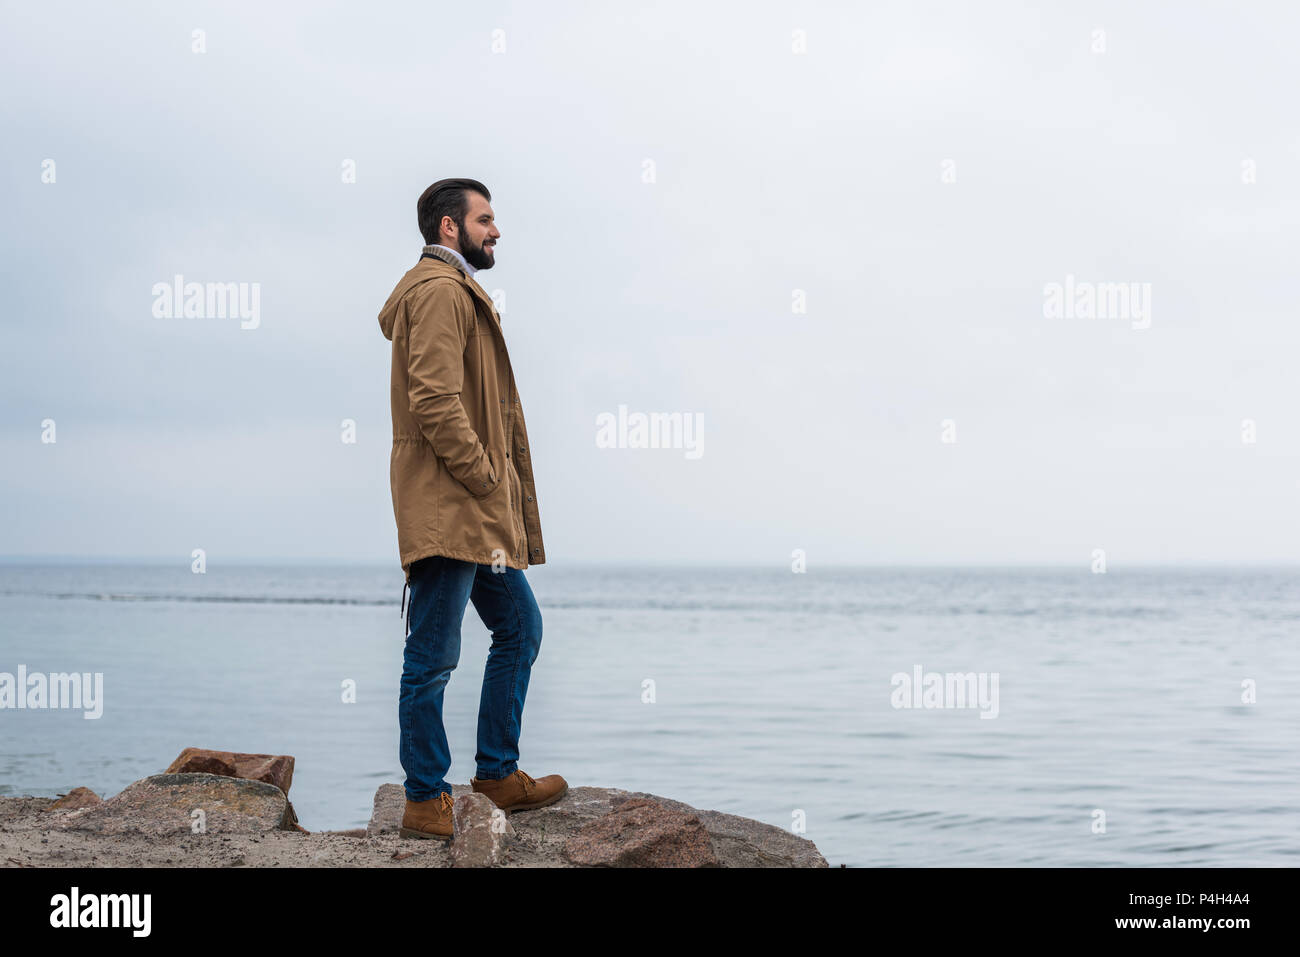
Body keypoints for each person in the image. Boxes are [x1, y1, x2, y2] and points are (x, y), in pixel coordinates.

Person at [377, 177, 565, 840]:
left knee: (520, 628)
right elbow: (432, 398)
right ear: (449, 228)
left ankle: (496, 773)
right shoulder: (436, 293)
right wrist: (485, 473)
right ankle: (425, 797)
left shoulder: (455, 290)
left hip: (473, 513)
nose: (496, 230)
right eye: (486, 219)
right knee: (433, 655)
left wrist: (489, 488)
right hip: (448, 507)